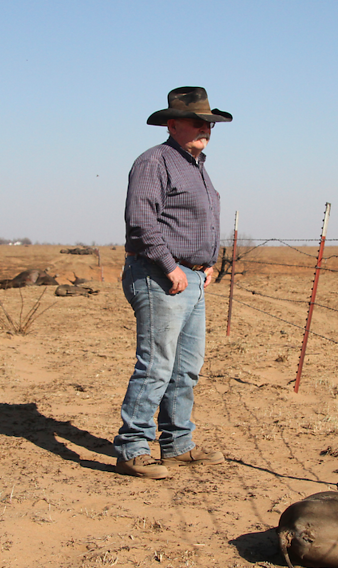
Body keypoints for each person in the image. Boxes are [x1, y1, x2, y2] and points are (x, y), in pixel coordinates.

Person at [114, 87, 232, 479]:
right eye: (198, 122)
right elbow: (142, 221)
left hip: (191, 277)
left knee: (186, 367)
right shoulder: (154, 162)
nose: (205, 129)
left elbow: (196, 221)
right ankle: (132, 448)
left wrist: (208, 262)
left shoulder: (196, 165)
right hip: (159, 275)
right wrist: (171, 266)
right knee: (156, 365)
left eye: (209, 123)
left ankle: (177, 444)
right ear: (172, 123)